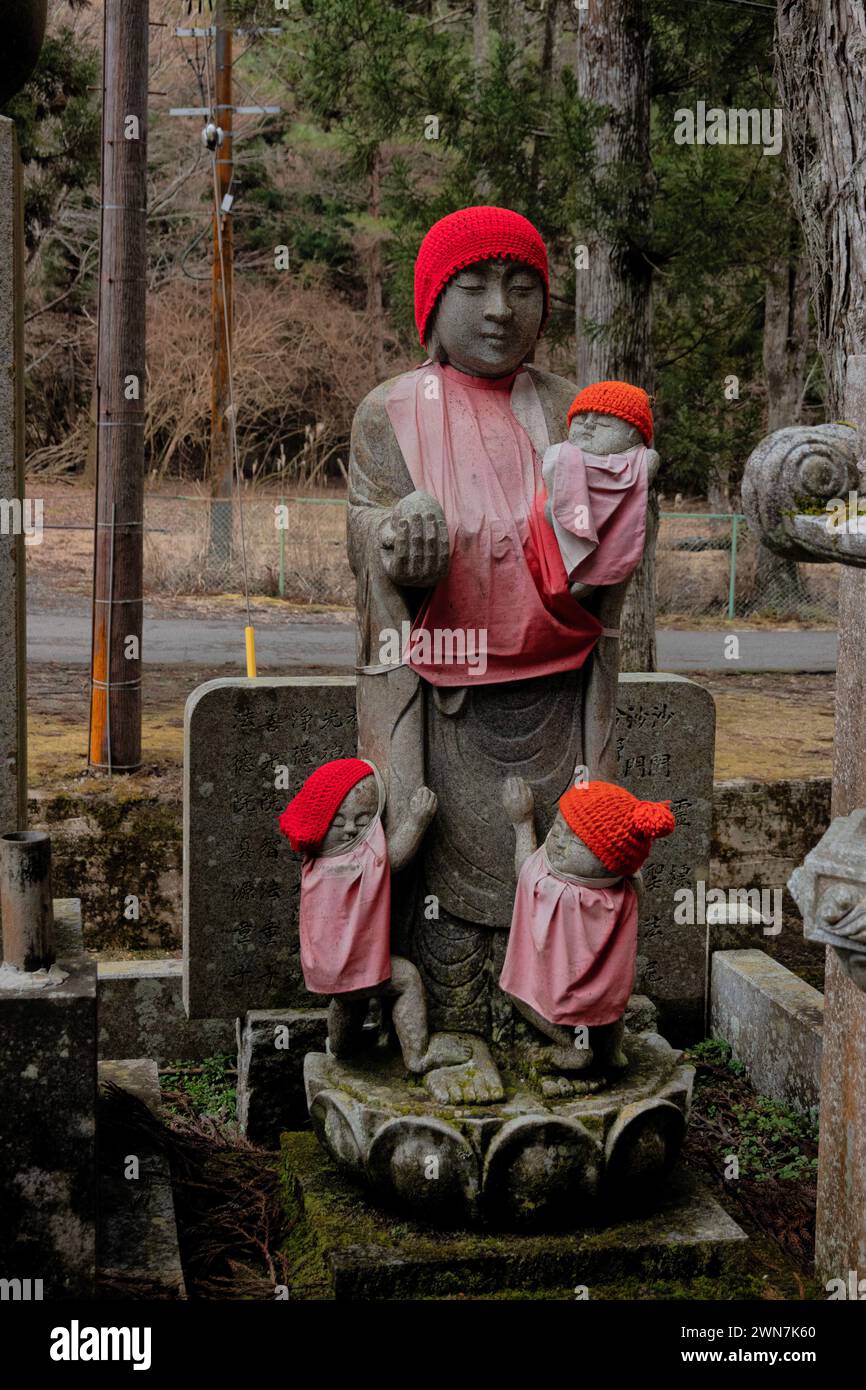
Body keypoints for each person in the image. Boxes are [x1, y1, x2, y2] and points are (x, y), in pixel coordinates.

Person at [278, 756, 469, 1075]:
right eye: (339, 823)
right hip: (355, 967)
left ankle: (340, 1048)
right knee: (406, 979)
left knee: (346, 1002)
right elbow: (392, 860)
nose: (352, 829)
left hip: (329, 971)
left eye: (364, 818)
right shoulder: (351, 864)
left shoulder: (313, 862)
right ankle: (418, 1056)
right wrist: (417, 821)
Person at [500, 776, 675, 1097]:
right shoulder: (624, 888)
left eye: (575, 841)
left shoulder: (556, 889)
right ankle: (612, 1052)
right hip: (607, 989)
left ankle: (572, 1046)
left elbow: (524, 868)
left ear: (607, 862)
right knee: (612, 1012)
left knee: (517, 993)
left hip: (560, 989)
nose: (557, 841)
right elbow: (633, 874)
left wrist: (522, 823)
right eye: (557, 826)